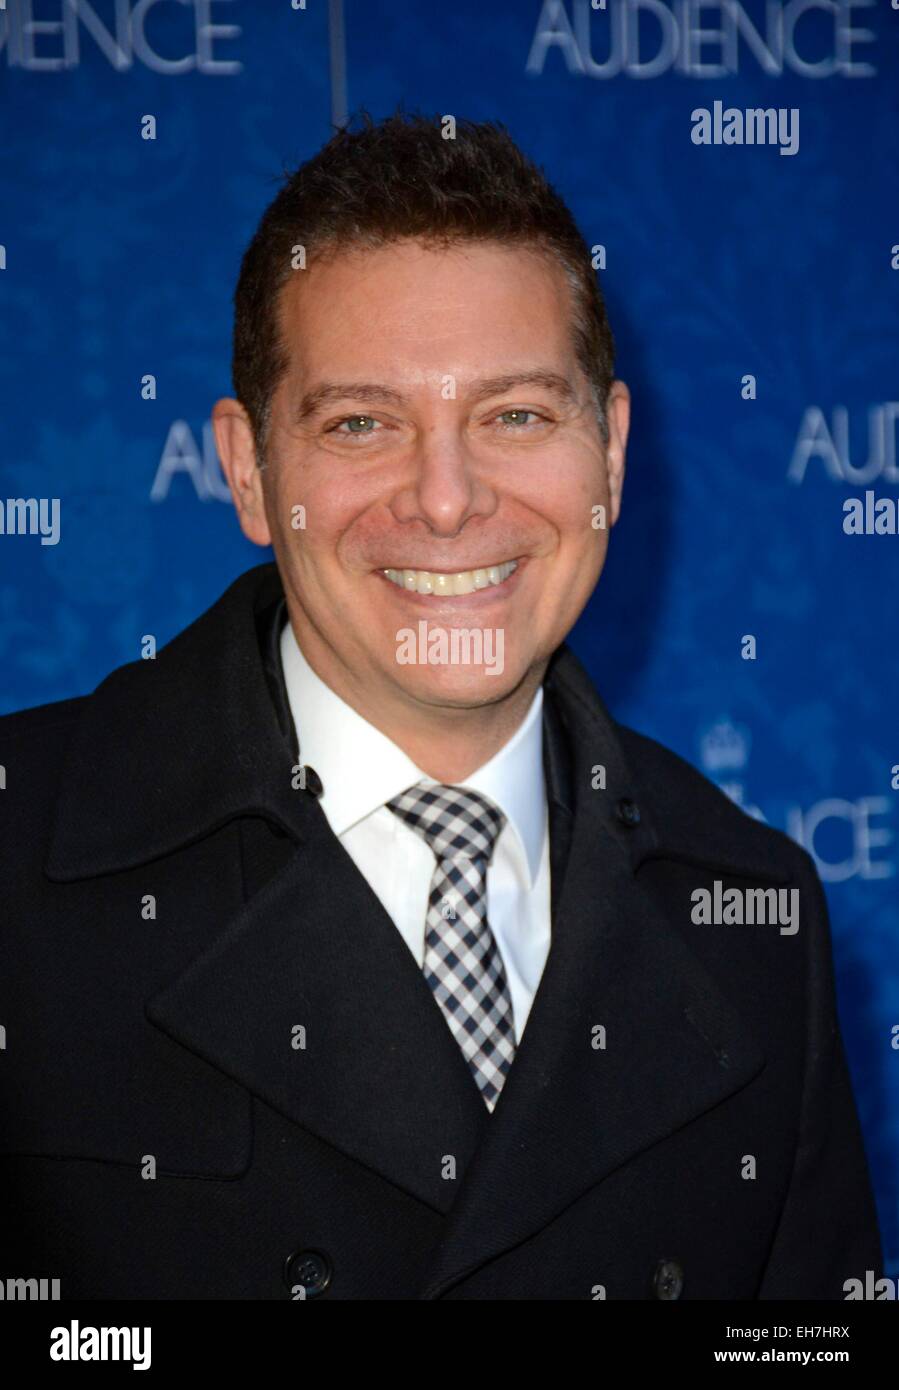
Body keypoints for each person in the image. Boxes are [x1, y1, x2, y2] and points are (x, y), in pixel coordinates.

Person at [0, 113, 882, 1300]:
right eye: (361, 422)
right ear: (249, 470)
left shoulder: (756, 918)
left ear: (609, 456)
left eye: (516, 414)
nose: (448, 499)